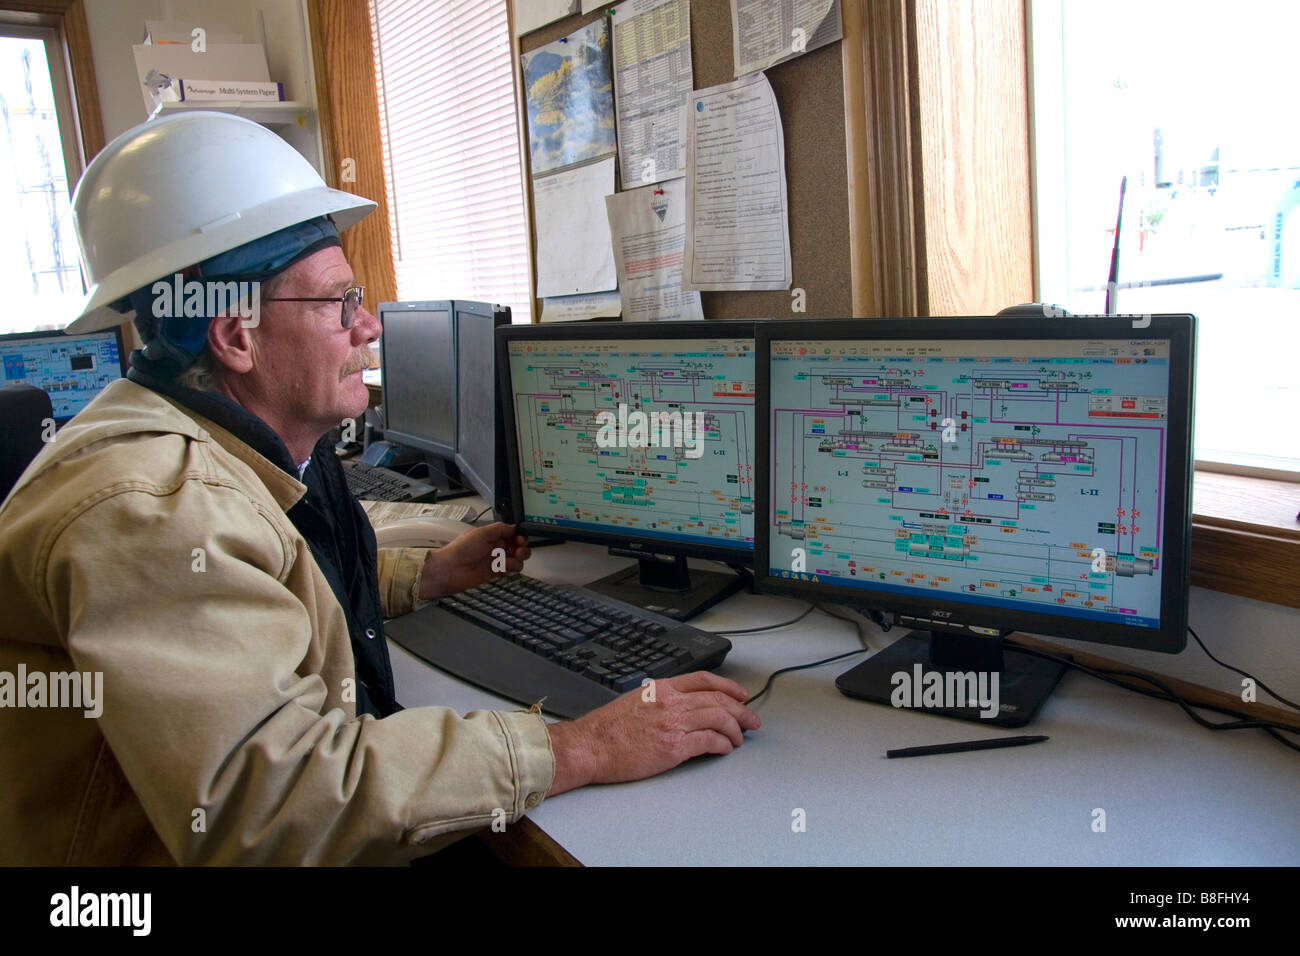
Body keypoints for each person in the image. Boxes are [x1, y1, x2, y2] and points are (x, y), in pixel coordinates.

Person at [0, 112, 759, 865]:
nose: (370, 328)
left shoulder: (247, 438)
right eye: (339, 303)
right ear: (235, 335)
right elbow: (272, 808)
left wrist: (422, 575)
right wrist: (578, 746)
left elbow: (268, 574)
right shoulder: (150, 511)